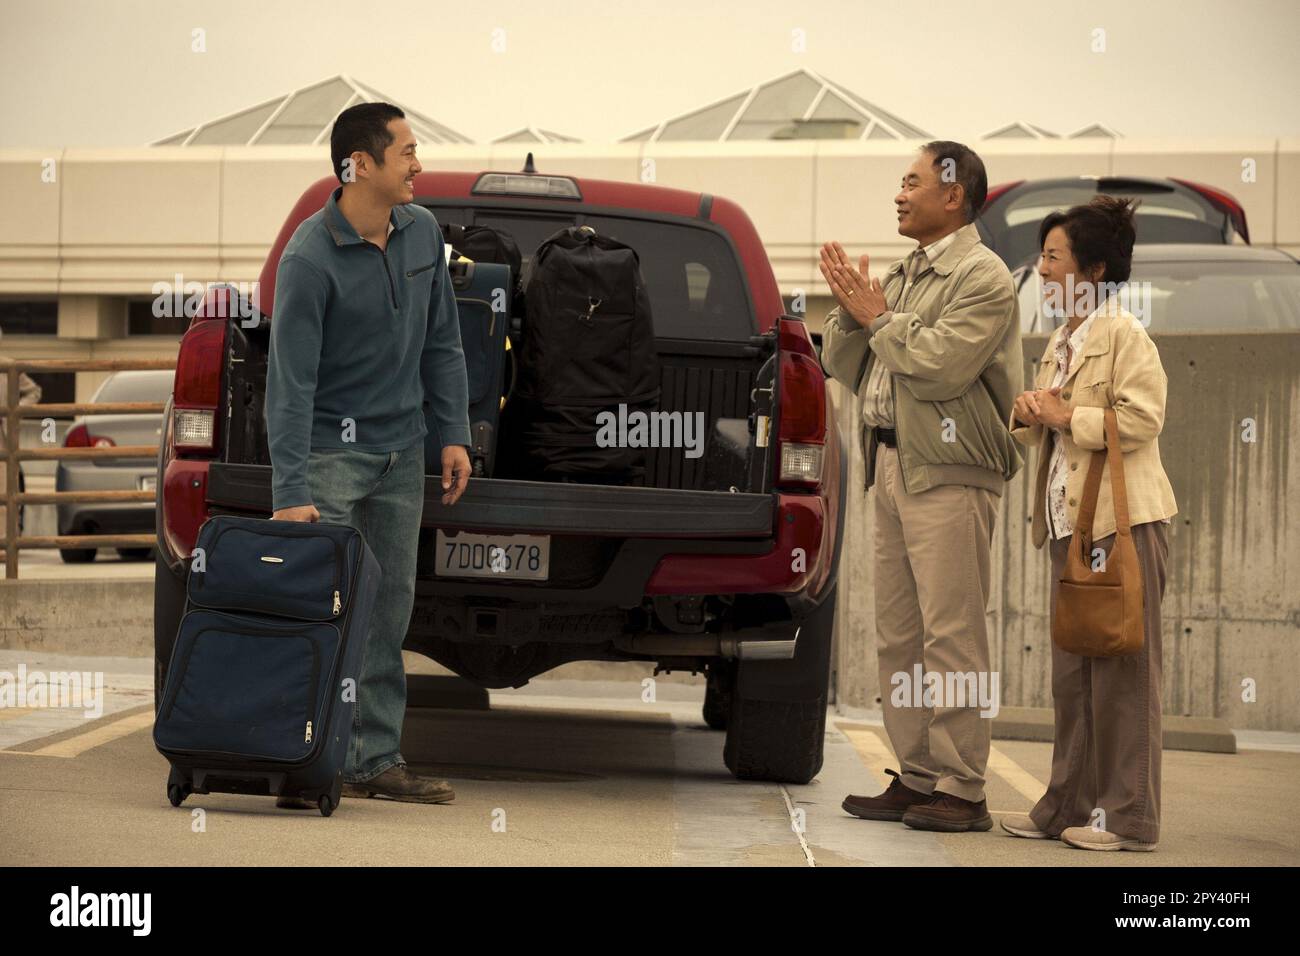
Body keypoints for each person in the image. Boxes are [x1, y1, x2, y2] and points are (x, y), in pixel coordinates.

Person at [266, 102, 472, 806]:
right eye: (408, 151)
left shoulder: (422, 236)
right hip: (329, 457)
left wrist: (453, 432)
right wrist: (291, 490)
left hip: (401, 455)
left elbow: (443, 343)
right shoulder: (308, 259)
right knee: (320, 611)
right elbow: (288, 387)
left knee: (387, 611)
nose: (420, 164)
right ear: (361, 165)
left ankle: (373, 758)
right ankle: (298, 756)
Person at [821, 141, 1022, 832]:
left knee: (954, 634)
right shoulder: (907, 274)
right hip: (890, 467)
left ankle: (964, 788)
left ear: (953, 193)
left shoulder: (983, 276)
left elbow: (939, 367)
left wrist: (878, 317)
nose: (899, 195)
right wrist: (854, 312)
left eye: (910, 183)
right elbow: (849, 365)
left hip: (948, 472)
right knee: (899, 636)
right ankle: (918, 775)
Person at [1002, 195, 1177, 850]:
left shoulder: (1125, 337)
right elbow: (1047, 425)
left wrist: (1059, 416)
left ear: (1094, 269)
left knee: (1124, 678)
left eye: (1054, 257)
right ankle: (1064, 806)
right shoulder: (1063, 341)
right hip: (1073, 530)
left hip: (1121, 530)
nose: (1043, 271)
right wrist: (1028, 413)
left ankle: (1128, 818)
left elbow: (1141, 420)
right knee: (1073, 676)